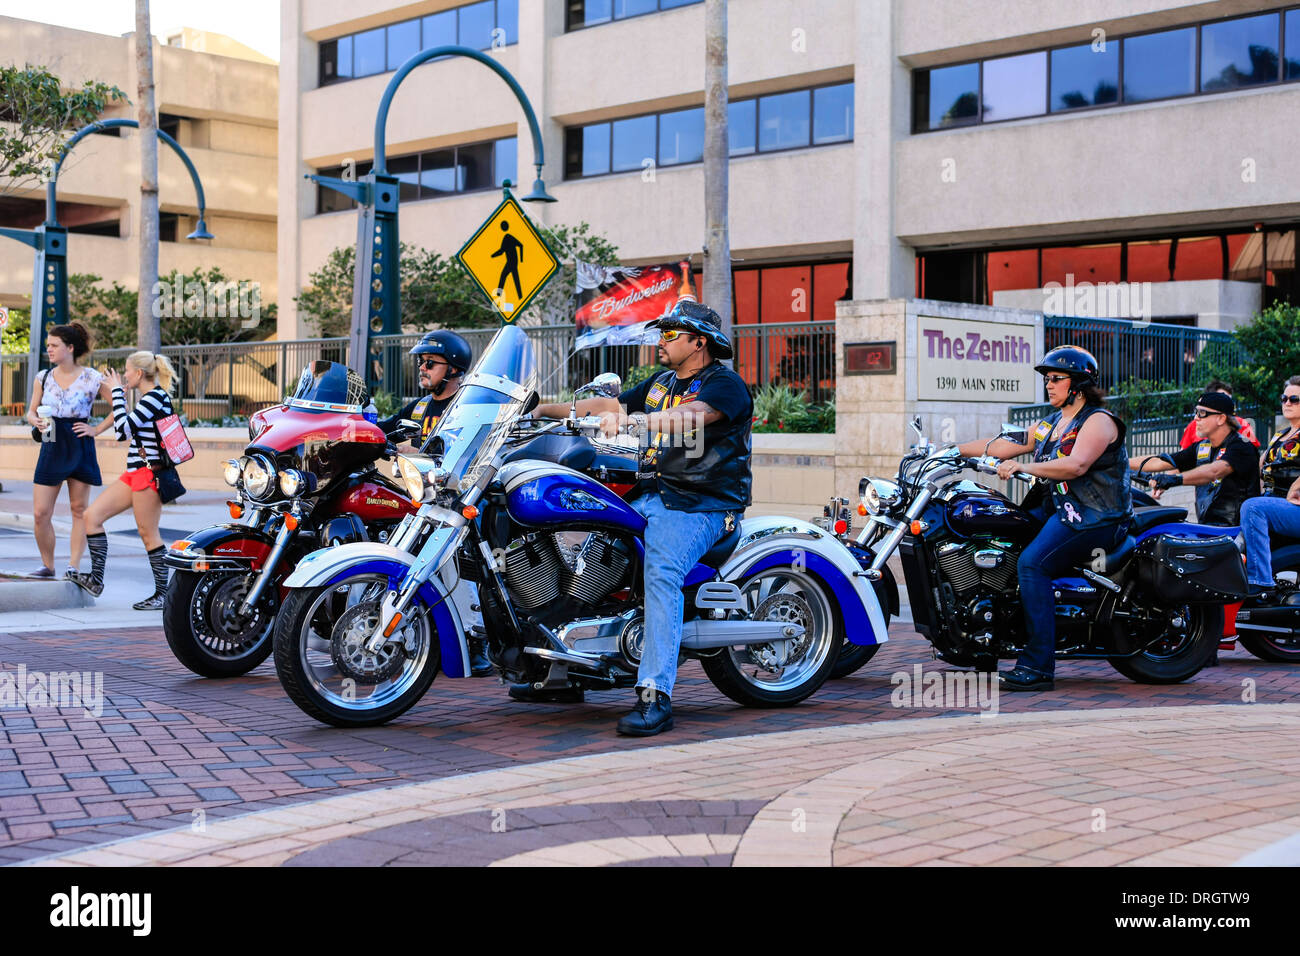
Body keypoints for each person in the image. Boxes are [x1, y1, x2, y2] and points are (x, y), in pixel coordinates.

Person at [526, 300, 753, 736]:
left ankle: (655, 694)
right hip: (652, 495)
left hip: (703, 505)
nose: (660, 341)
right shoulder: (660, 383)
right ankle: (562, 667)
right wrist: (539, 410)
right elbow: (606, 407)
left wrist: (639, 422)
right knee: (591, 555)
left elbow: (693, 417)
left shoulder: (725, 385)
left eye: (669, 334)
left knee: (662, 572)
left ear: (698, 342)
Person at [957, 345, 1132, 692]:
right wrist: (952, 449)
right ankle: (985, 645)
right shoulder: (1052, 423)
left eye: (1055, 379)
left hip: (1095, 518)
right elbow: (1011, 442)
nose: (1048, 385)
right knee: (996, 537)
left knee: (1032, 565)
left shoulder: (1098, 421)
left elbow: (1077, 464)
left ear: (1078, 384)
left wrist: (1026, 466)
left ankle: (1038, 666)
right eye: (1046, 379)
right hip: (1061, 510)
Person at [67, 351, 179, 610]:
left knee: (148, 534)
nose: (124, 375)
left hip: (149, 474)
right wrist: (121, 396)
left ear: (139, 373)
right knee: (92, 516)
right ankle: (96, 580)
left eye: (127, 371)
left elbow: (121, 431)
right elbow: (126, 427)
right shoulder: (147, 398)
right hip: (134, 473)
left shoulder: (155, 397)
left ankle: (163, 594)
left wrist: (117, 392)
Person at [26, 322, 114, 578]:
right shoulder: (42, 377)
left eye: (54, 345)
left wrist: (96, 430)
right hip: (52, 443)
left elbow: (120, 407)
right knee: (40, 513)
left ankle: (73, 566)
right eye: (48, 346)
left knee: (79, 509)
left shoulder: (92, 377)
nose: (49, 350)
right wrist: (35, 420)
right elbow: (30, 411)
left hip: (78, 443)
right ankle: (48, 565)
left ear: (70, 347)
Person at [1132, 391, 1259, 526]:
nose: (1196, 418)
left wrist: (1174, 479)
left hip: (1237, 532)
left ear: (1221, 418)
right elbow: (1161, 461)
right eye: (1196, 412)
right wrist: (1121, 461)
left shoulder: (1241, 446)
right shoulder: (1202, 447)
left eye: (1202, 413)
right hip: (1209, 528)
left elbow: (1213, 472)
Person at [1240, 375, 1300, 599]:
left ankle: (1260, 582)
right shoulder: (1281, 435)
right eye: (1285, 398)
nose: (1287, 403)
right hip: (1278, 504)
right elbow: (1260, 468)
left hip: (1294, 507)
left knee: (1253, 508)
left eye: (1295, 399)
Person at [379, 330, 472, 449]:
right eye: (420, 361)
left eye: (429, 362)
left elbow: (468, 457)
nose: (422, 367)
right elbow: (383, 430)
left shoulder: (467, 408)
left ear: (452, 368)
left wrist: (419, 456)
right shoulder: (420, 407)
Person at [1179, 380, 1257, 449]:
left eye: (1229, 399)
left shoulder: (1243, 424)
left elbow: (1252, 457)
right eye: (1220, 399)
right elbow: (1182, 459)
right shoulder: (1194, 425)